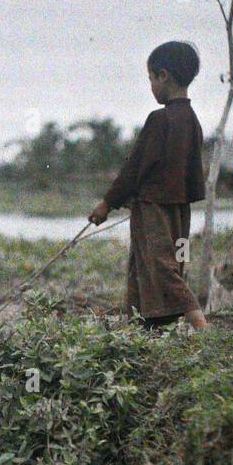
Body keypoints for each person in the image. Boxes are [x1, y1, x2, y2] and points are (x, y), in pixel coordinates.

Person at [88, 41, 208, 331]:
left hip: (153, 208)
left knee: (161, 266)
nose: (152, 86)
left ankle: (202, 328)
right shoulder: (192, 120)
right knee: (156, 263)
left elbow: (134, 168)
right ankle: (143, 328)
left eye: (151, 79)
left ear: (163, 76)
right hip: (180, 210)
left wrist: (107, 203)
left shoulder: (160, 119)